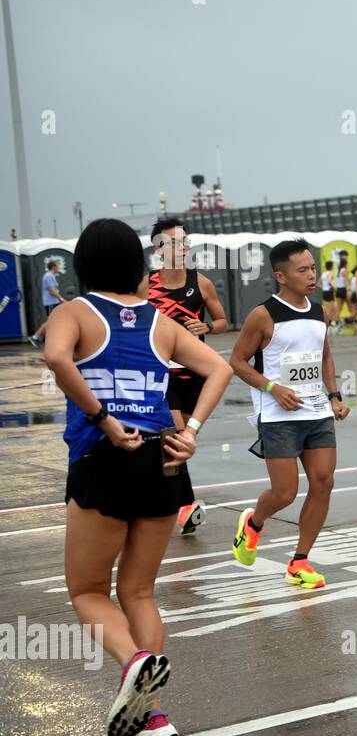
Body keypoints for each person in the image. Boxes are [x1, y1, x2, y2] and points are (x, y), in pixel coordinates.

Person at [44, 217, 232, 736]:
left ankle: (135, 663)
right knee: (139, 591)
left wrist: (103, 418)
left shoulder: (74, 312)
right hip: (159, 462)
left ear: (83, 263)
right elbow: (218, 369)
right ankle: (150, 719)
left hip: (103, 459)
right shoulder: (160, 321)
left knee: (85, 590)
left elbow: (56, 356)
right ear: (136, 262)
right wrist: (190, 431)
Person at [229, 238, 351, 589]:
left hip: (316, 411)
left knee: (324, 482)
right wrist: (272, 388)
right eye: (303, 270)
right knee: (284, 492)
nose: (312, 275)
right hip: (278, 415)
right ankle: (253, 522)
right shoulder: (263, 316)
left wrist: (334, 396)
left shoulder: (319, 311)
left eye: (313, 268)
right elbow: (237, 362)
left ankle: (299, 561)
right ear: (281, 276)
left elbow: (324, 356)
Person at [146, 218, 231, 534]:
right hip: (161, 375)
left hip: (196, 374)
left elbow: (223, 321)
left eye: (184, 242)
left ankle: (173, 498)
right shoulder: (146, 286)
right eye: (174, 243)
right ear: (159, 248)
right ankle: (184, 506)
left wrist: (207, 327)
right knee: (174, 436)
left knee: (179, 440)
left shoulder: (201, 283)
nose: (182, 247)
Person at [29, 257, 65, 345]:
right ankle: (35, 337)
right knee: (51, 321)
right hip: (51, 303)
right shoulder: (48, 276)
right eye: (58, 267)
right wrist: (62, 299)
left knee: (55, 321)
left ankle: (48, 339)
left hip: (53, 302)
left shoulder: (50, 276)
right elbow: (52, 290)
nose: (59, 268)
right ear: (53, 267)